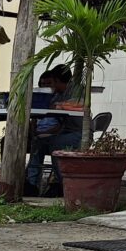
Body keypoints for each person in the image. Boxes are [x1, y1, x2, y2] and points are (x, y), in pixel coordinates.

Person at [25, 64, 83, 196]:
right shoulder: (57, 95)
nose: (50, 87)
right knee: (38, 142)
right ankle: (31, 184)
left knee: (55, 143)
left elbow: (79, 105)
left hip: (78, 133)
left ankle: (60, 183)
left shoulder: (76, 91)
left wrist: (59, 106)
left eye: (52, 83)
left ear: (57, 81)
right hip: (63, 132)